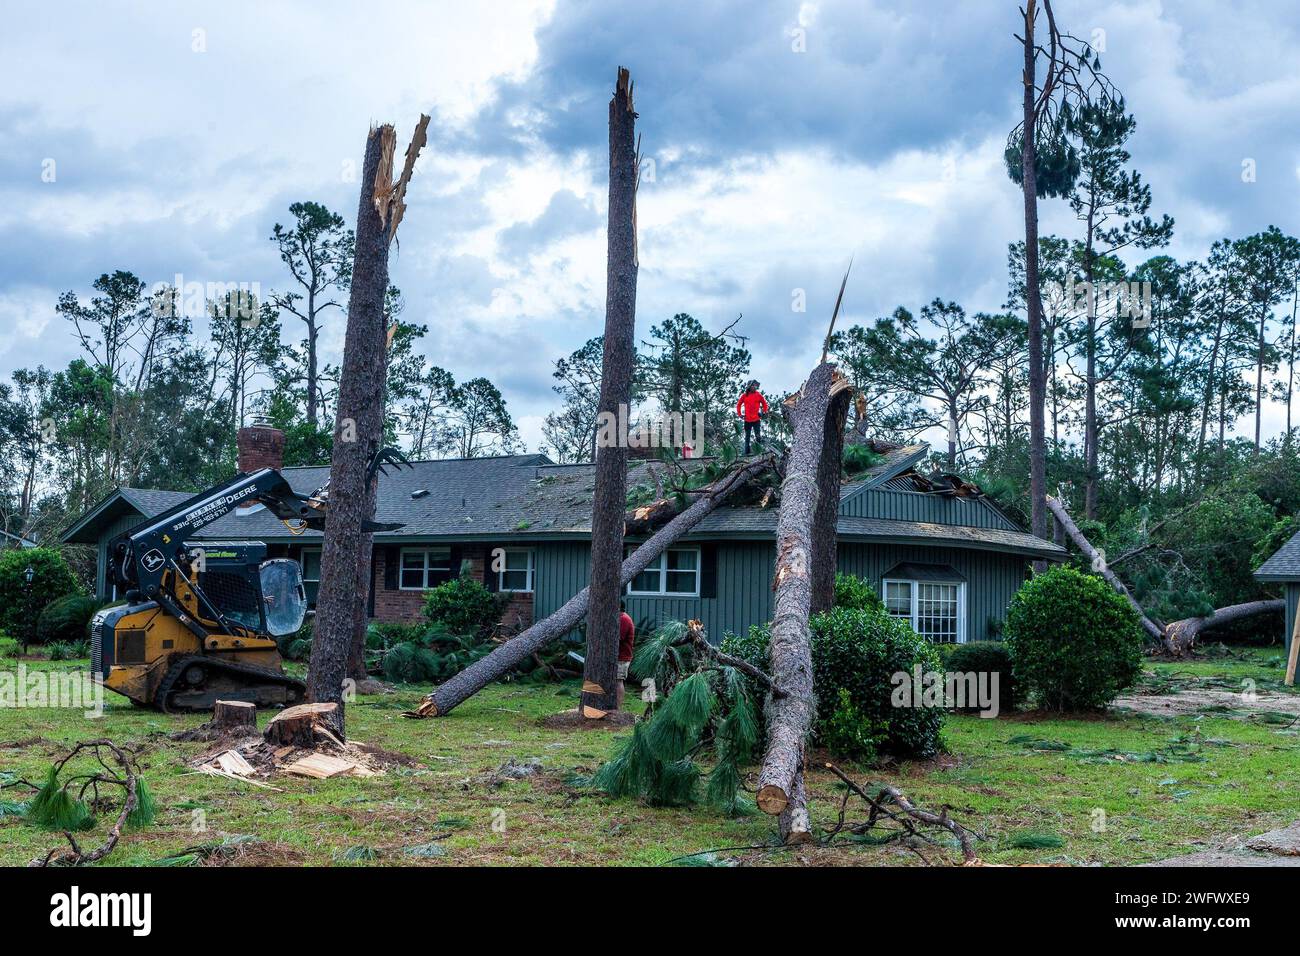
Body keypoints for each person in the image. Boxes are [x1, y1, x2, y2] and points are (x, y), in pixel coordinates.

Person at [735, 380, 769, 455]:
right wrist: (740, 414)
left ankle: (759, 451)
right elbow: (738, 405)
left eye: (755, 386)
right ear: (749, 387)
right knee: (747, 437)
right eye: (753, 385)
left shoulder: (758, 395)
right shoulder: (744, 395)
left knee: (758, 436)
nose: (754, 387)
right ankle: (747, 453)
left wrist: (764, 411)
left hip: (756, 419)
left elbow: (764, 404)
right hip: (747, 420)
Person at [617, 601, 636, 707]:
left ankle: (618, 707)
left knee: (618, 681)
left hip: (622, 657)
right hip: (618, 656)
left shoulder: (623, 619)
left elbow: (619, 638)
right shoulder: (621, 618)